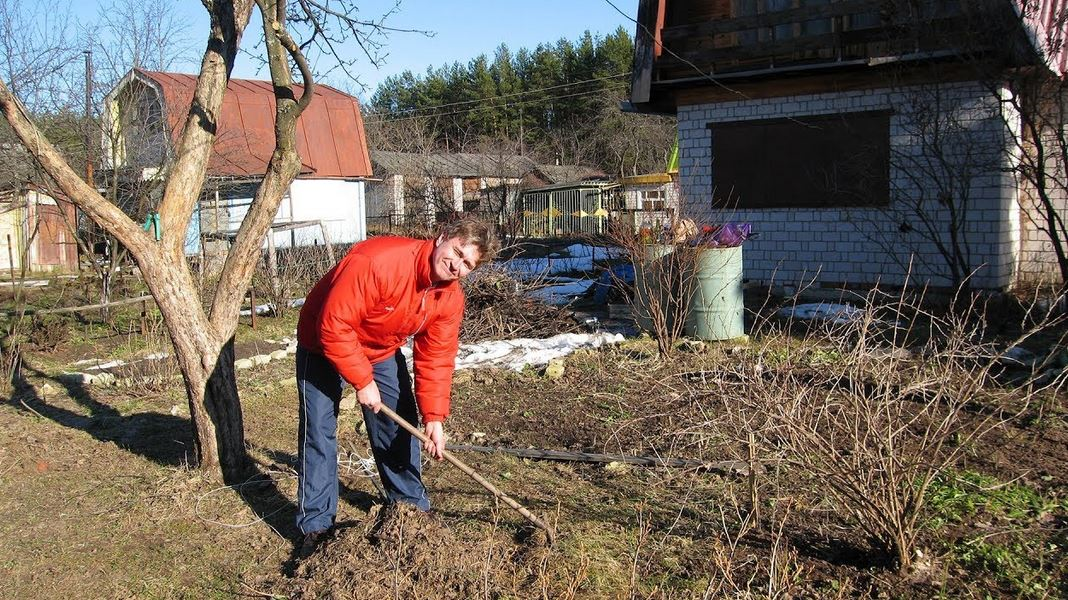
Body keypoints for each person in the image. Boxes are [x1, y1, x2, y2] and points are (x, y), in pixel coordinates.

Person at [293, 218, 499, 554]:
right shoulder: (379, 262)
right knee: (318, 430)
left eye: (467, 264)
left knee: (398, 422)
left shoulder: (448, 299)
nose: (457, 266)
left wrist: (434, 417)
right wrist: (362, 380)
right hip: (320, 338)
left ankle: (409, 510)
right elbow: (335, 325)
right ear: (442, 238)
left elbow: (436, 357)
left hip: (378, 348)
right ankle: (315, 526)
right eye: (457, 253)